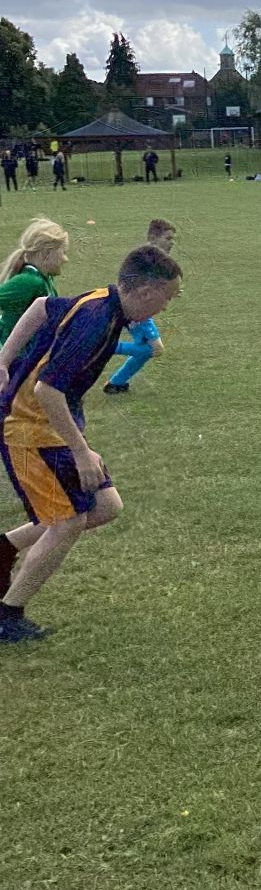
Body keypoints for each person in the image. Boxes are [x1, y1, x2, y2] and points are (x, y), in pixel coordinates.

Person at [0, 243, 182, 642]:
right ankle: (7, 614)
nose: (166, 308)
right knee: (67, 522)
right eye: (167, 298)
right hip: (27, 428)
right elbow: (49, 391)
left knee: (105, 506)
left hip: (49, 425)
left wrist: (3, 356)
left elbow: (41, 308)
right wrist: (81, 450)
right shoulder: (97, 321)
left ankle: (4, 549)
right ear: (148, 292)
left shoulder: (103, 299)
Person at [104, 220, 176, 395]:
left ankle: (117, 382)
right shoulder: (144, 259)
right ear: (153, 237)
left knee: (144, 351)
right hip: (138, 313)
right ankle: (104, 346)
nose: (172, 242)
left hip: (140, 311)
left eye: (173, 238)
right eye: (168, 238)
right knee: (155, 349)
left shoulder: (158, 260)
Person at [0, 219, 69, 345]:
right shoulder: (29, 281)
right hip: (14, 358)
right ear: (47, 254)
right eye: (63, 252)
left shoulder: (46, 279)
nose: (66, 259)